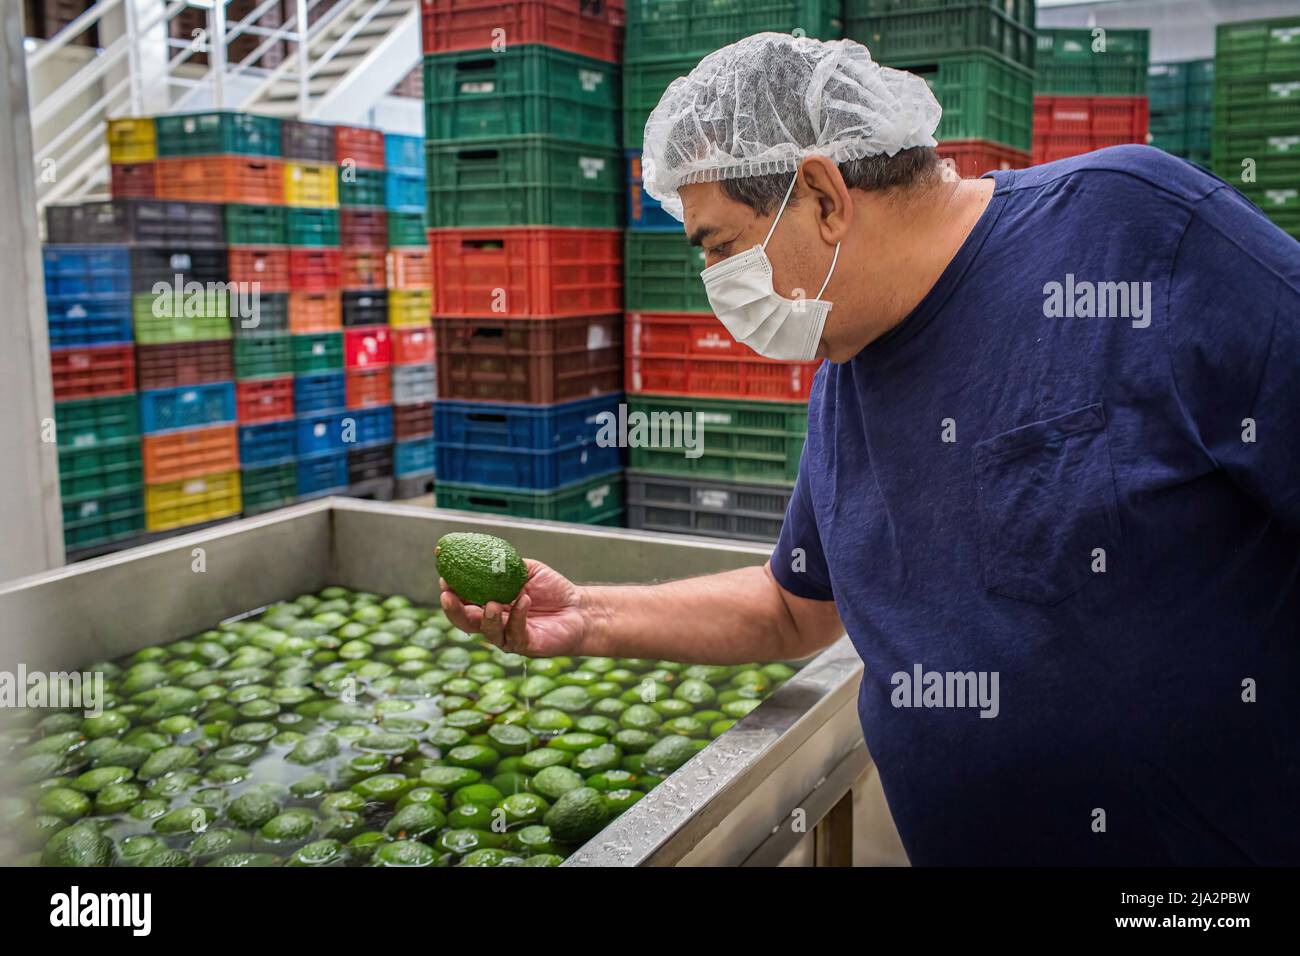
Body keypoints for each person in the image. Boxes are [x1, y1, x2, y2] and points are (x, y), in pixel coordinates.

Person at [441, 33, 1300, 865]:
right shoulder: (846, 370)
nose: (716, 291)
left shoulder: (1132, 231)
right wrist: (586, 618)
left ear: (821, 193)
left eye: (721, 248)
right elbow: (795, 607)